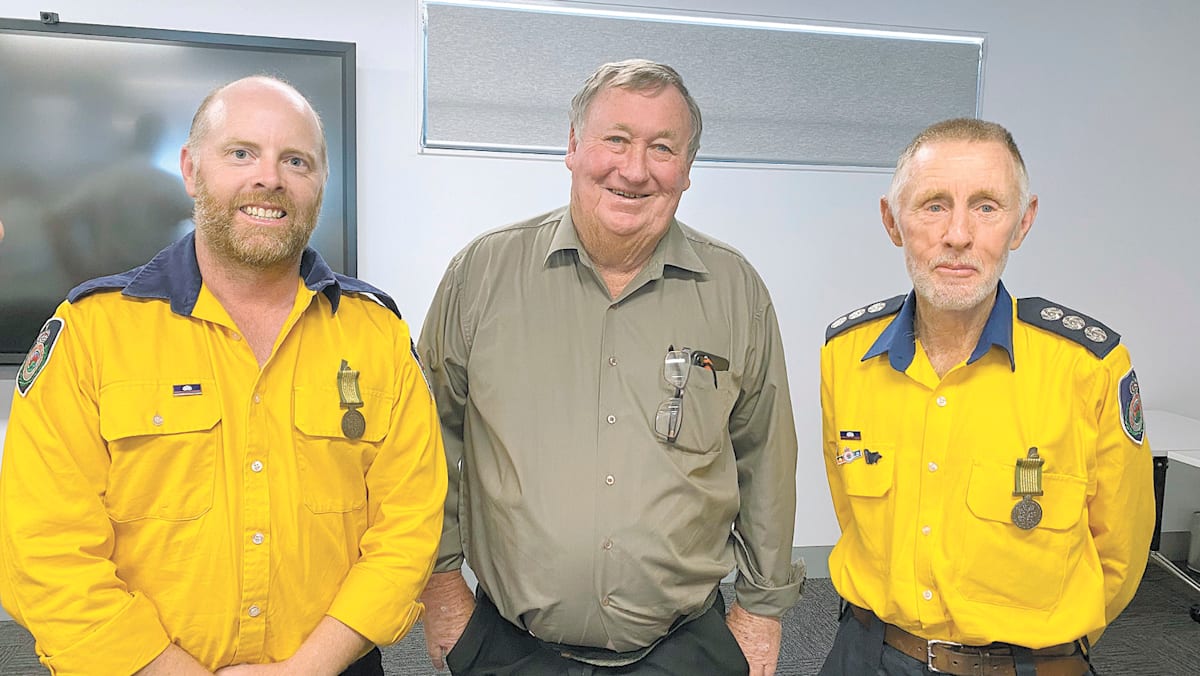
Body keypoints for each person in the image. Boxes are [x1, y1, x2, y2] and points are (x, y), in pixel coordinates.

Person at [0, 76, 447, 675]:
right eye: (241, 153)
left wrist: (304, 670)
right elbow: (42, 547)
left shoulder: (378, 334)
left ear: (319, 184)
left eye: (296, 160)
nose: (269, 178)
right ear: (189, 170)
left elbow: (410, 526)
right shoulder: (90, 332)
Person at [417, 59, 804, 676]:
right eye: (616, 140)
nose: (634, 169)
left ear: (686, 169)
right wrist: (439, 587)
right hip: (511, 647)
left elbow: (765, 458)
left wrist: (761, 612)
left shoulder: (736, 291)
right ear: (573, 147)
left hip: (686, 647)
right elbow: (426, 441)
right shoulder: (481, 276)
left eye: (662, 148)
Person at [818, 118, 1154, 676]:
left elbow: (1118, 555)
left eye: (986, 206)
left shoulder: (1088, 367)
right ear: (891, 221)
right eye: (932, 205)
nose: (957, 234)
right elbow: (849, 509)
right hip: (866, 654)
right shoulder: (846, 355)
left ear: (1022, 223)